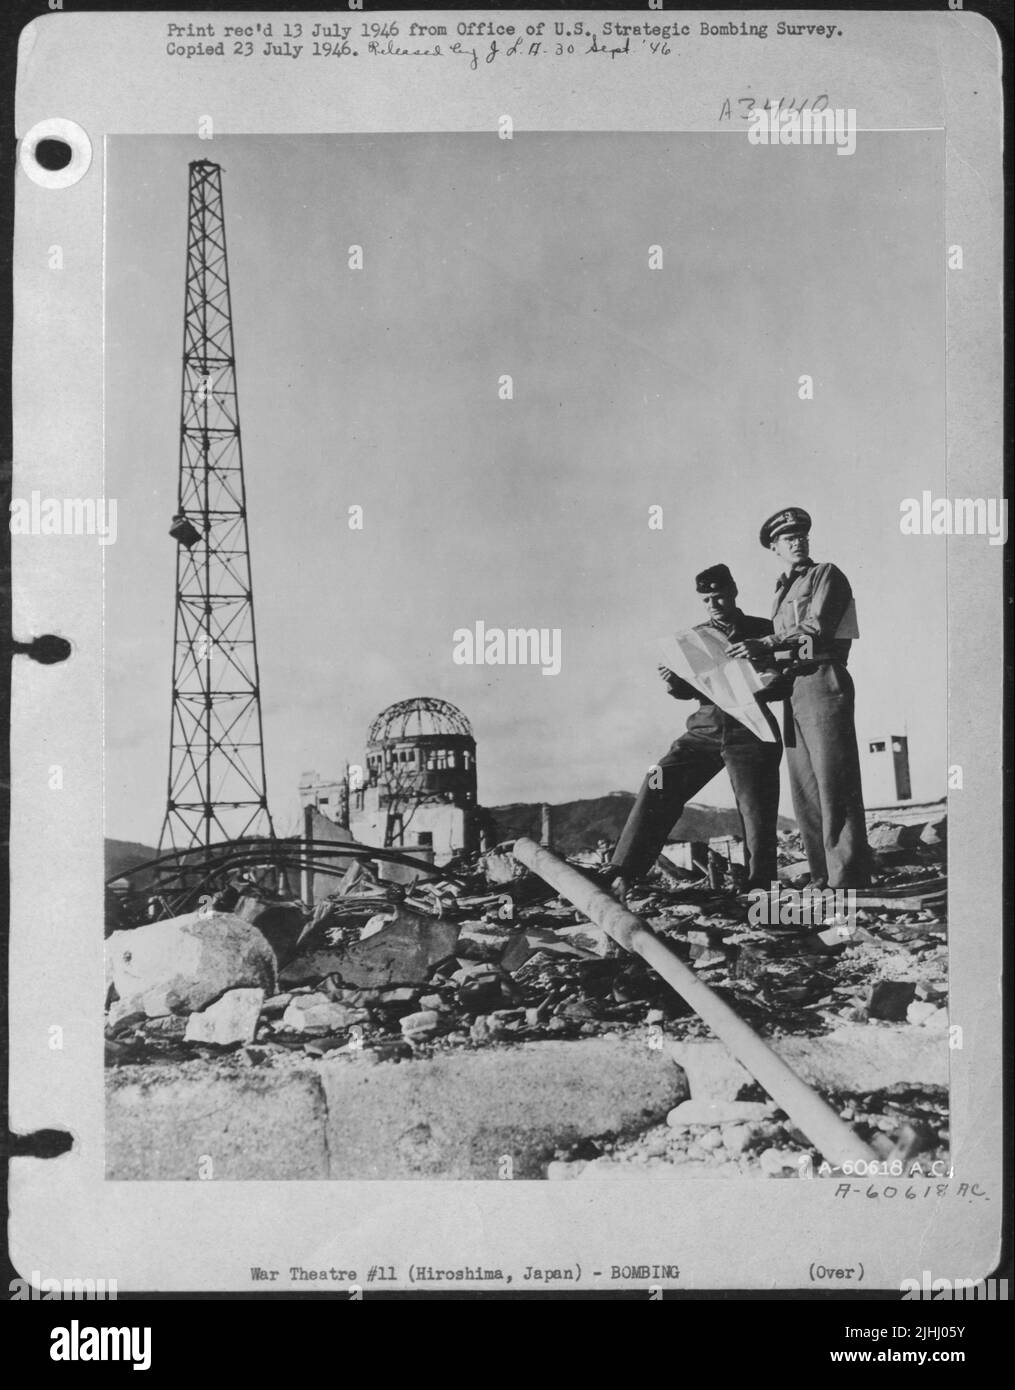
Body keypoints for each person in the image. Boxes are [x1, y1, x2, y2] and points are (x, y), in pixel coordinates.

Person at [608, 564, 782, 892]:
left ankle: (760, 886)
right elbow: (688, 690)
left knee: (756, 810)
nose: (714, 605)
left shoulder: (764, 629)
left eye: (718, 597)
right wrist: (673, 682)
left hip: (752, 729)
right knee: (659, 779)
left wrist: (764, 669)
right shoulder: (694, 638)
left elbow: (784, 681)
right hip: (706, 727)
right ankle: (624, 872)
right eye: (706, 600)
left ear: (733, 592)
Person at [727, 507, 871, 889]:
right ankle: (824, 873)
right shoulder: (782, 590)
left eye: (801, 535)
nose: (798, 542)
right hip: (795, 687)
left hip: (824, 678)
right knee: (805, 786)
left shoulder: (826, 574)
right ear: (774, 547)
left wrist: (766, 642)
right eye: (788, 538)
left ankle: (849, 874)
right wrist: (759, 662)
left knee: (833, 778)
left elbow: (818, 627)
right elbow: (787, 645)